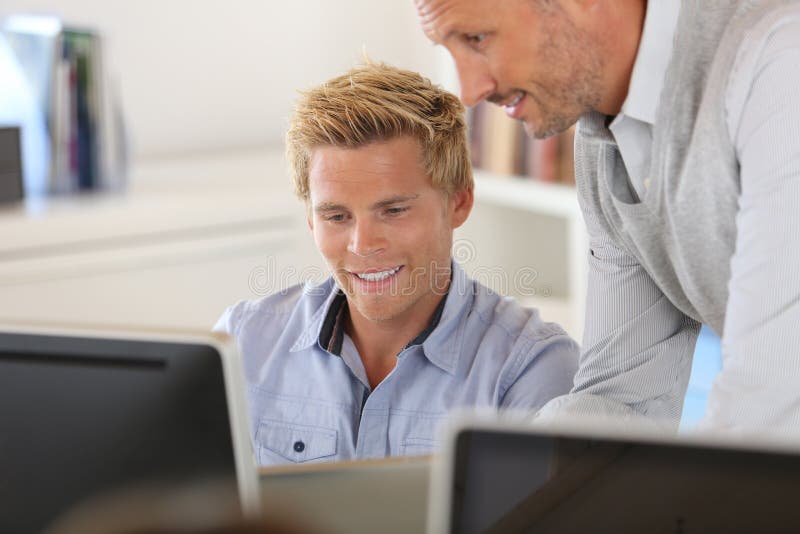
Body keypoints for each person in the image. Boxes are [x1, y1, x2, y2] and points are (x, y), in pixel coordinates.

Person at [415, 0, 800, 433]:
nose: (469, 91)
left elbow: (770, 405)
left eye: (477, 38)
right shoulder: (603, 138)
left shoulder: (779, 62)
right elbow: (623, 401)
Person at [214, 62, 578, 465]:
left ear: (458, 201)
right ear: (310, 220)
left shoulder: (531, 370)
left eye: (393, 210)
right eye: (336, 216)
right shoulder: (241, 344)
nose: (363, 244)